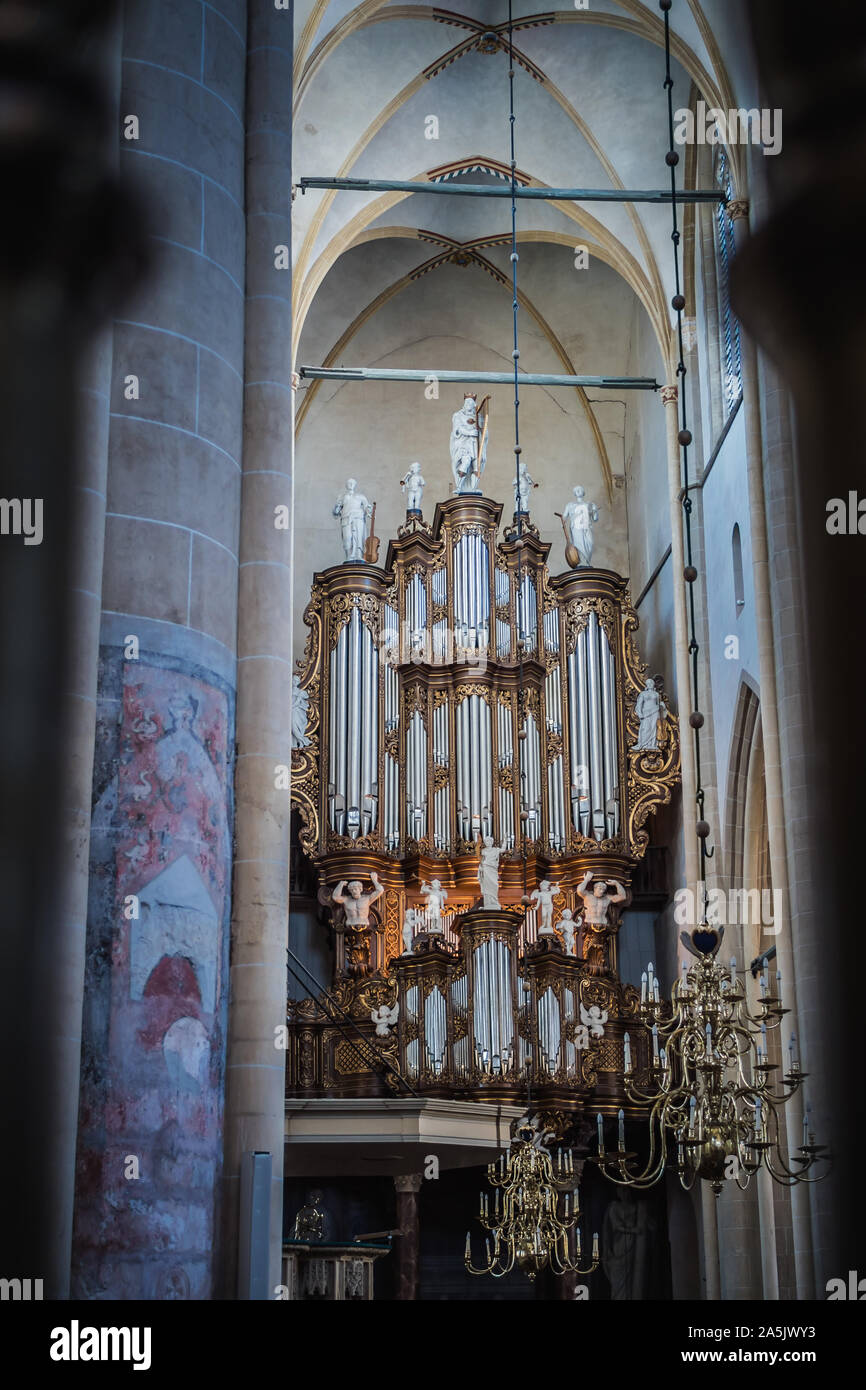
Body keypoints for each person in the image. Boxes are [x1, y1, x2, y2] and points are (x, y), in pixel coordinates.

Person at [450, 395, 487, 493]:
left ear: (474, 405)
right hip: (463, 445)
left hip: (475, 445)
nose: (468, 405)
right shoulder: (458, 415)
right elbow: (457, 429)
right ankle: (459, 487)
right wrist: (469, 432)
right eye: (467, 403)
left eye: (470, 403)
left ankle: (473, 488)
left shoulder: (478, 416)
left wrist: (480, 430)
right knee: (465, 462)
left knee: (476, 467)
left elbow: (484, 431)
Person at [333, 477, 373, 561]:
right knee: (347, 537)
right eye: (349, 483)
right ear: (346, 485)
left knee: (358, 537)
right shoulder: (342, 497)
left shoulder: (360, 496)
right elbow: (336, 512)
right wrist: (337, 507)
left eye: (352, 483)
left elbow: (367, 506)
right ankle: (349, 556)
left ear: (355, 485)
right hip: (346, 518)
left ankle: (359, 555)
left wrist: (369, 511)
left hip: (358, 518)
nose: (350, 485)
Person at [562, 485, 599, 566]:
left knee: (590, 543)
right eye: (576, 490)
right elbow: (564, 516)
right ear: (574, 493)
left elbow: (595, 519)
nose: (578, 491)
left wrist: (595, 511)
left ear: (583, 492)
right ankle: (582, 562)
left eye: (580, 489)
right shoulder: (570, 505)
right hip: (576, 528)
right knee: (579, 544)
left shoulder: (590, 504)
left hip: (587, 527)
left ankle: (587, 561)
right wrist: (563, 520)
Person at [632, 677, 667, 751]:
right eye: (648, 683)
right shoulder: (643, 694)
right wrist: (640, 713)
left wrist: (662, 705)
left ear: (653, 684)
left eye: (651, 683)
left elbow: (658, 703)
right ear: (646, 685)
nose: (650, 684)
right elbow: (639, 705)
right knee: (645, 728)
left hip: (655, 712)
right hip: (646, 713)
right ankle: (643, 743)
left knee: (653, 728)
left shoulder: (656, 694)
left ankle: (652, 744)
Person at [477, 836, 506, 908]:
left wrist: (505, 839)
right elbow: (482, 861)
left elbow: (503, 849)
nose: (488, 843)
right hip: (486, 868)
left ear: (492, 842)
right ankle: (488, 903)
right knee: (486, 886)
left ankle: (494, 901)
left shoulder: (495, 850)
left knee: (495, 885)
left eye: (489, 841)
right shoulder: (483, 851)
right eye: (486, 841)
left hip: (493, 869)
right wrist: (480, 867)